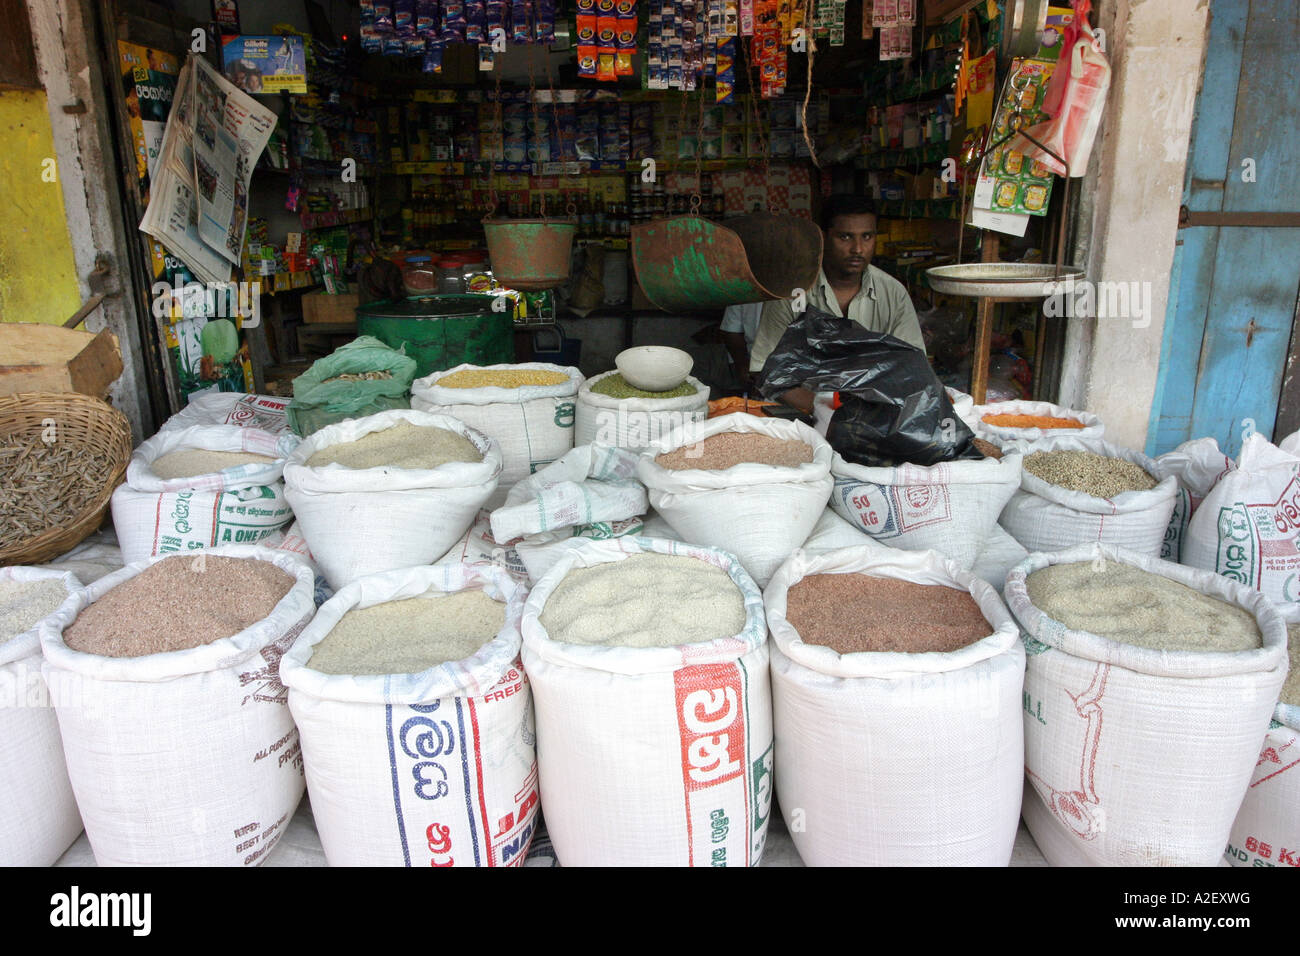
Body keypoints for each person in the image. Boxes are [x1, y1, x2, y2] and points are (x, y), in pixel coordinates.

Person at [748, 193, 925, 413]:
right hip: (801, 416)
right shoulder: (793, 292)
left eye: (867, 237)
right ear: (823, 238)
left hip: (874, 418)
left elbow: (914, 369)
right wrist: (826, 409)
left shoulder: (893, 294)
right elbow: (763, 370)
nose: (858, 249)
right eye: (845, 237)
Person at [720, 301, 763, 390]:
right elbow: (731, 330)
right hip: (751, 361)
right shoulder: (744, 293)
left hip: (787, 363)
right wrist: (743, 364)